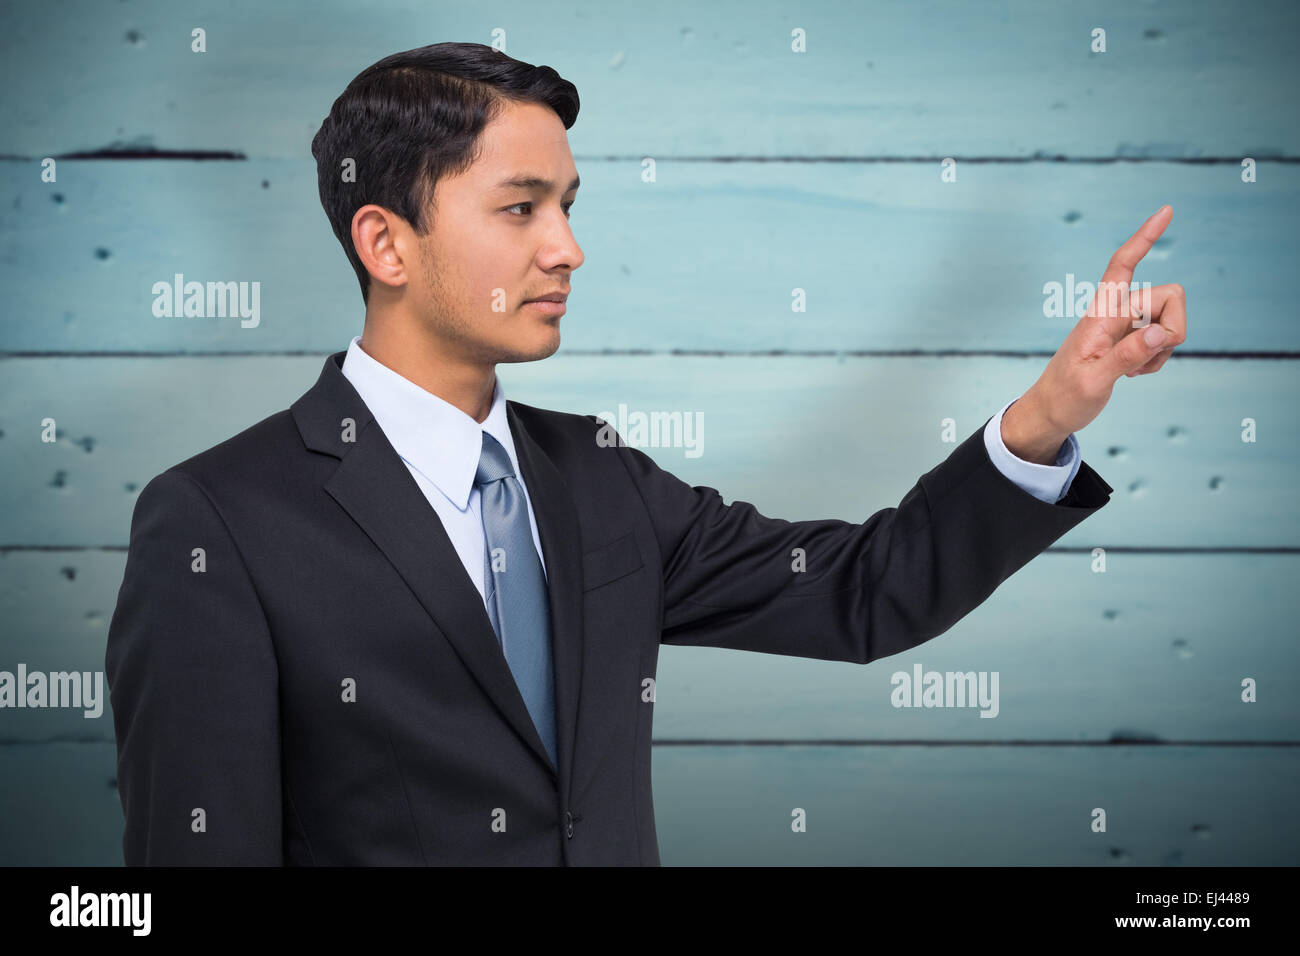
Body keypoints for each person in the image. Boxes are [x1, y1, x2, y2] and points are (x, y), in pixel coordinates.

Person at [104, 42, 1184, 866]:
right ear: (386, 241)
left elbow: (868, 592)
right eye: (520, 208)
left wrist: (1049, 409)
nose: (567, 247)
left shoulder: (601, 476)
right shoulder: (219, 521)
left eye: (567, 207)